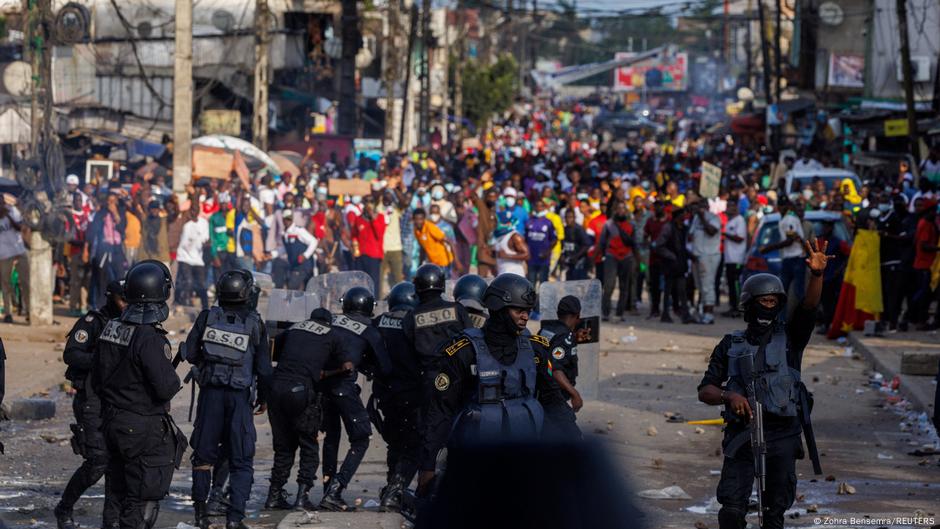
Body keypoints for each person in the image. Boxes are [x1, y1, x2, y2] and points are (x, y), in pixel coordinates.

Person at [697, 237, 831, 529]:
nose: (768, 307)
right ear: (749, 305)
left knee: (773, 514)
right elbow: (705, 390)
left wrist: (816, 274)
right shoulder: (730, 343)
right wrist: (729, 396)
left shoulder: (791, 339)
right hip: (742, 434)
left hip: (783, 434)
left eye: (773, 302)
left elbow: (809, 307)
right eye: (763, 301)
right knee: (731, 511)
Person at [417, 273, 543, 495]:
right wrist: (428, 465)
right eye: (519, 310)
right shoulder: (463, 350)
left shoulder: (534, 348)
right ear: (499, 309)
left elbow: (553, 401)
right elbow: (440, 410)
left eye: (528, 311)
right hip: (476, 451)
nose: (526, 317)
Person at [93, 260, 184, 529]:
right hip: (140, 426)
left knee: (115, 491)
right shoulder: (149, 337)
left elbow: (98, 376)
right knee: (139, 497)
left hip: (112, 420)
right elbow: (166, 387)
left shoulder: (111, 327)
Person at [183, 270, 272, 529]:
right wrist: (264, 399)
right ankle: (234, 519)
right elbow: (264, 370)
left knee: (203, 458)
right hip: (239, 400)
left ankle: (201, 516)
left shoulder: (207, 317)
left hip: (210, 397)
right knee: (241, 460)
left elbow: (190, 353)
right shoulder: (255, 323)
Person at [55, 280, 127, 529]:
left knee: (117, 462)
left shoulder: (132, 324)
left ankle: (111, 521)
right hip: (91, 399)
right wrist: (102, 360)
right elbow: (71, 354)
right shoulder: (93, 321)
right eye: (122, 300)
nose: (126, 305)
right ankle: (64, 508)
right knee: (98, 461)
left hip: (118, 401)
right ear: (111, 298)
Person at [320, 287, 391, 511]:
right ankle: (335, 491)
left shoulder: (331, 321)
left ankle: (327, 488)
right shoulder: (369, 330)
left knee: (331, 437)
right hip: (343, 388)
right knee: (361, 438)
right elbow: (385, 366)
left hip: (321, 386)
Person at [265, 308, 341, 510]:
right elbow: (343, 362)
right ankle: (302, 497)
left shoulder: (294, 328)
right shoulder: (331, 334)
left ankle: (273, 496)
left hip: (276, 388)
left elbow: (273, 349)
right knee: (308, 445)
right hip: (301, 391)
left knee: (283, 447)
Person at [371, 282, 423, 512]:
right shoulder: (415, 322)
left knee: (395, 443)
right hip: (410, 392)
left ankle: (391, 488)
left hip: (384, 394)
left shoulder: (378, 321)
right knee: (414, 444)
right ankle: (395, 492)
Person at [402, 264, 473, 384]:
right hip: (459, 377)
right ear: (442, 285)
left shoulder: (410, 317)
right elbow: (471, 339)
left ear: (417, 287)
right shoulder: (457, 309)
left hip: (429, 379)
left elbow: (407, 354)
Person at [537, 295, 586, 441]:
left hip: (540, 393)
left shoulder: (546, 329)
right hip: (553, 397)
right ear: (577, 316)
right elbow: (556, 370)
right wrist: (575, 394)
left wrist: (574, 339)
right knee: (574, 439)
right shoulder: (564, 338)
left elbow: (550, 354)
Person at [760, 198, 804, 302]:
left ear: (788, 206)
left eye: (784, 205)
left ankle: (803, 312)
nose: (782, 208)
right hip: (790, 258)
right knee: (785, 291)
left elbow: (790, 241)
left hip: (796, 258)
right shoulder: (784, 219)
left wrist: (768, 248)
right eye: (780, 205)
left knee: (796, 292)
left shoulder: (789, 219)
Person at [598, 200, 636, 321]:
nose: (621, 210)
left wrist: (636, 259)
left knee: (624, 287)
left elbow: (634, 243)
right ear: (614, 210)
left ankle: (620, 314)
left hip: (627, 257)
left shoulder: (631, 224)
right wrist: (601, 256)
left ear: (626, 210)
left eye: (623, 208)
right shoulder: (608, 224)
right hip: (611, 256)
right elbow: (602, 242)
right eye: (618, 208)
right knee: (609, 285)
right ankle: (606, 313)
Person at [689, 200, 722, 324]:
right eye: (698, 206)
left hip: (709, 256)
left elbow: (711, 231)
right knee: (700, 286)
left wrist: (703, 217)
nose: (700, 209)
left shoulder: (714, 218)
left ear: (707, 207)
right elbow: (691, 236)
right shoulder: (696, 218)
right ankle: (702, 312)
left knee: (708, 285)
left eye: (702, 206)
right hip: (697, 256)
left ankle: (709, 314)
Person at [0, 203, 27, 323]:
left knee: (26, 282)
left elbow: (19, 227)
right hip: (4, 254)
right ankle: (8, 313)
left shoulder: (12, 210)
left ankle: (29, 311)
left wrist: (8, 216)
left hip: (19, 250)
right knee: (6, 284)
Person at [280, 210, 318, 290]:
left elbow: (314, 241)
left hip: (304, 266)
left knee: (292, 287)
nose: (288, 221)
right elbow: (283, 249)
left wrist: (305, 255)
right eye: (286, 219)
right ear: (283, 220)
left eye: (289, 219)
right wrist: (272, 254)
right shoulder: (284, 234)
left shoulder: (299, 230)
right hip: (294, 266)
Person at [525, 199, 558, 290]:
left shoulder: (548, 222)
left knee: (544, 285)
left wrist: (547, 252)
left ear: (544, 207)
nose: (539, 208)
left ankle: (543, 300)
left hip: (544, 260)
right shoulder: (529, 221)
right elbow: (525, 239)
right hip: (531, 259)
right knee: (531, 285)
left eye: (541, 206)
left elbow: (555, 239)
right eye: (537, 206)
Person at [412, 209, 457, 275]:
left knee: (444, 280)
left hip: (443, 262)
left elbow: (449, 241)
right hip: (433, 263)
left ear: (424, 219)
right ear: (413, 219)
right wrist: (420, 264)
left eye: (420, 219)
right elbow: (423, 247)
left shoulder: (430, 228)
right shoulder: (416, 231)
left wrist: (457, 261)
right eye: (416, 219)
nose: (418, 222)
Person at [722, 201, 747, 317]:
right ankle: (732, 307)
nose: (729, 208)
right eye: (728, 206)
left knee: (736, 284)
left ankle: (738, 308)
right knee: (731, 284)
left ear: (736, 208)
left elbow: (740, 238)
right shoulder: (730, 221)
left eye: (732, 206)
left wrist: (724, 234)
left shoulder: (740, 220)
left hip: (737, 258)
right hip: (729, 258)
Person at [561, 208, 592, 280]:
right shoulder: (564, 229)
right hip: (569, 262)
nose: (568, 219)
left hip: (579, 263)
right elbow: (563, 245)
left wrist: (576, 256)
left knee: (579, 283)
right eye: (566, 217)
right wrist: (562, 255)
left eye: (570, 217)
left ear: (574, 218)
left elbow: (587, 244)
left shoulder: (579, 229)